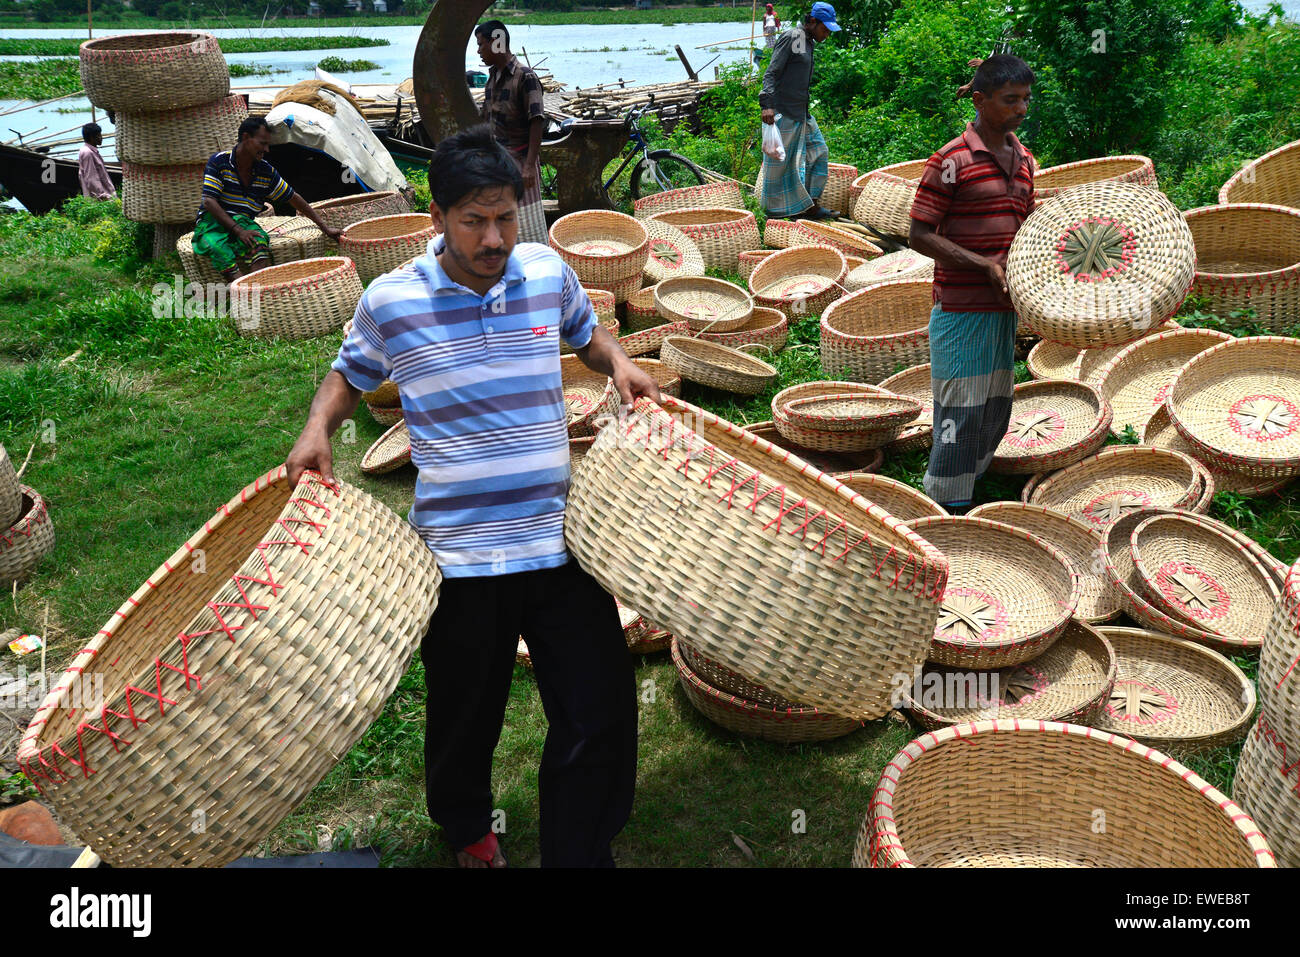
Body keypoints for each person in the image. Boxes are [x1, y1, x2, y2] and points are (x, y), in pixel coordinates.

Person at [285, 124, 656, 868]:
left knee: (598, 704)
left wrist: (618, 362)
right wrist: (316, 427)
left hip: (560, 540)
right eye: (474, 220)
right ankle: (467, 827)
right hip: (457, 558)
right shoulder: (392, 301)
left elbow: (588, 337)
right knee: (465, 712)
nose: (494, 237)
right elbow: (348, 374)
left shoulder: (547, 274)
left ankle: (577, 849)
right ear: (437, 219)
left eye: (506, 218)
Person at [908, 54, 1037, 514]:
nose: (1021, 108)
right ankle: (945, 507)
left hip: (1003, 309)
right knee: (958, 412)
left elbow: (1026, 228)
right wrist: (983, 265)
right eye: (1010, 100)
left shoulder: (1024, 160)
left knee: (994, 406)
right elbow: (919, 234)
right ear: (980, 100)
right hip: (961, 308)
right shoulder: (951, 160)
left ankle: (970, 484)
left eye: (1025, 98)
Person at [194, 116, 343, 283]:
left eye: (267, 145)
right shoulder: (219, 161)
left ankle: (255, 290)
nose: (267, 150)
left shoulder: (266, 171)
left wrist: (325, 228)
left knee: (259, 243)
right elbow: (209, 202)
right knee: (218, 248)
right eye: (262, 143)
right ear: (245, 138)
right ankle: (243, 292)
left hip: (243, 222)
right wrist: (238, 231)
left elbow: (293, 198)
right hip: (212, 223)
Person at [758, 2, 840, 221]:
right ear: (812, 21)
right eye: (825, 29)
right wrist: (766, 104)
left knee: (819, 152)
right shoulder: (793, 38)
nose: (827, 35)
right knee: (778, 167)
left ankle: (810, 206)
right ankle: (773, 215)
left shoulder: (808, 41)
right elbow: (771, 73)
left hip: (802, 113)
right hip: (783, 112)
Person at [475, 19, 549, 245]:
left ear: (496, 43)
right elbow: (485, 119)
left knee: (527, 229)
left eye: (481, 44)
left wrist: (528, 166)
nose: (479, 51)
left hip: (519, 163)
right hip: (496, 164)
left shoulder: (525, 77)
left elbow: (537, 120)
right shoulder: (492, 78)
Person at [77, 123, 115, 201]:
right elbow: (91, 178)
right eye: (99, 135)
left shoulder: (91, 151)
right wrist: (103, 196)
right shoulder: (88, 153)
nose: (101, 138)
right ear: (92, 137)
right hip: (102, 199)